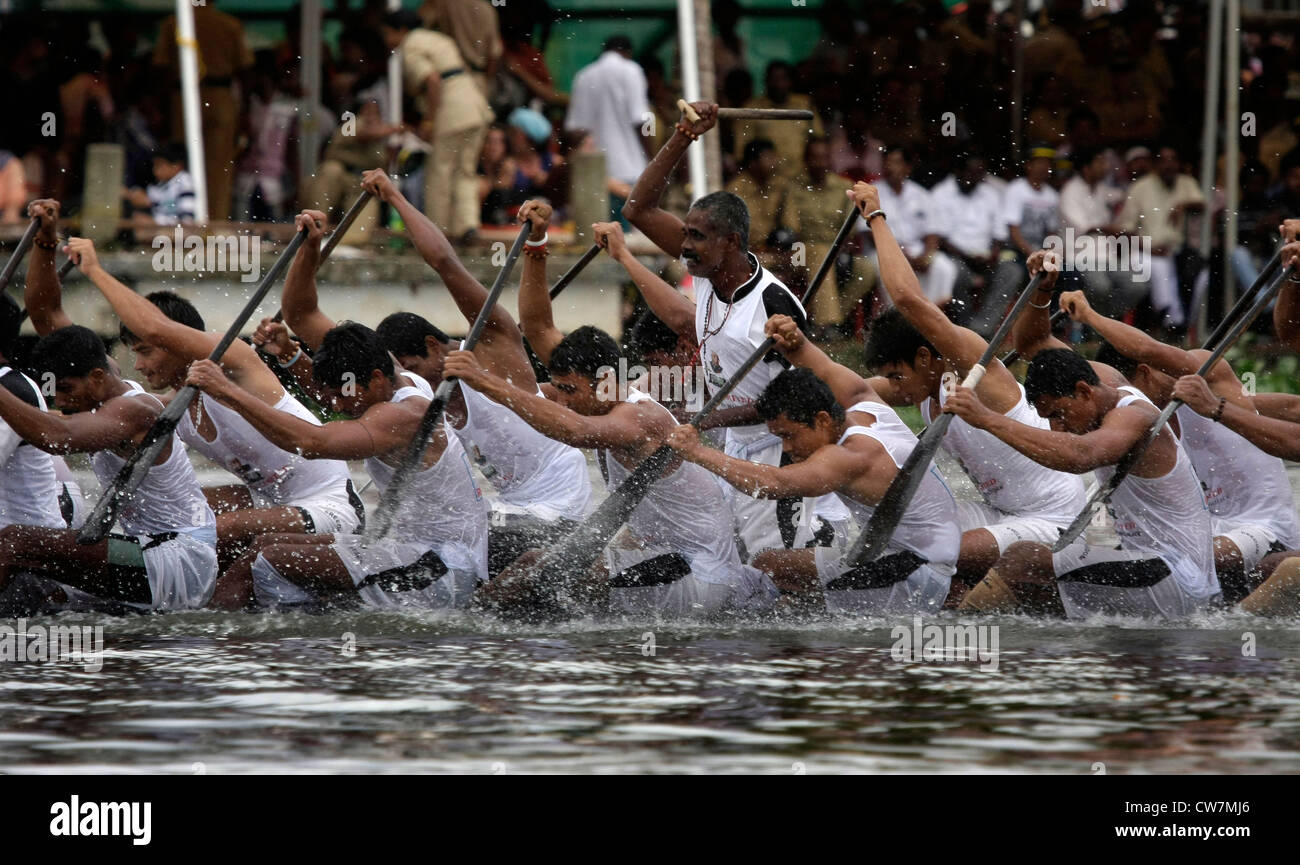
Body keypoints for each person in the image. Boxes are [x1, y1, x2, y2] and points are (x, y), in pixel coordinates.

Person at [621, 101, 850, 565]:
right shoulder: (704, 270)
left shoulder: (772, 305)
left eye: (698, 237)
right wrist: (684, 134)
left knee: (773, 577)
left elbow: (806, 402)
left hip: (784, 452)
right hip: (731, 445)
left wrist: (708, 418)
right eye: (685, 234)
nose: (685, 246)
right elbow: (638, 208)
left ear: (731, 243)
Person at [56, 229, 361, 572]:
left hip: (333, 506)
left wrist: (95, 270)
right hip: (273, 500)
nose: (138, 366)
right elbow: (57, 326)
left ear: (180, 341)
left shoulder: (233, 361)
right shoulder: (172, 405)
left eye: (145, 352)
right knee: (190, 513)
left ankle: (197, 609)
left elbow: (156, 328)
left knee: (218, 529)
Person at [849, 184, 1086, 602]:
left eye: (896, 376)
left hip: (1053, 517)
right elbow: (846, 390)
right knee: (897, 531)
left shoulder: (975, 369)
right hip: (1000, 512)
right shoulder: (919, 384)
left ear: (924, 357)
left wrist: (876, 216)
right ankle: (962, 594)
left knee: (934, 551)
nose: (894, 387)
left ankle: (975, 601)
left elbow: (907, 299)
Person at [443, 325, 775, 621]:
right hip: (668, 560)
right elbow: (536, 326)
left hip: (702, 575)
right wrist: (535, 253)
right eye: (560, 390)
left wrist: (484, 382)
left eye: (571, 391)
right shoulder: (610, 402)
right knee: (536, 562)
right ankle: (481, 630)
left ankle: (472, 636)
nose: (565, 402)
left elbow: (575, 431)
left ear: (605, 381)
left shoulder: (640, 418)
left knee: (544, 575)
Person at [358, 177, 592, 576]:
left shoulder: (492, 349)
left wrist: (396, 196)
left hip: (561, 502)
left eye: (412, 369)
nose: (412, 382)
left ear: (435, 345)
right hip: (510, 508)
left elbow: (445, 263)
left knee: (459, 539)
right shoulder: (421, 395)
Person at [0, 213, 219, 612]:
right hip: (146, 551)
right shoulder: (103, 378)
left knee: (15, 542)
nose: (62, 402)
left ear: (98, 377)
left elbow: (56, 438)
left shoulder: (135, 411)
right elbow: (45, 311)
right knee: (41, 590)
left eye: (66, 391)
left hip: (179, 561)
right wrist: (46, 243)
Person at [186, 322, 488, 612]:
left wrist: (226, 391)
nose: (338, 407)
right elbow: (309, 321)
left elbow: (313, 444)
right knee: (266, 542)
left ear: (377, 378)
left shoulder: (402, 416)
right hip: (414, 552)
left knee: (267, 559)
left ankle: (208, 637)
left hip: (443, 569)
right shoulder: (406, 381)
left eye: (342, 395)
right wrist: (292, 355)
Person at [668, 329, 959, 615]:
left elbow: (773, 483)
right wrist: (795, 341)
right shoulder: (865, 401)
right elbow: (825, 366)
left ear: (821, 420)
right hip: (899, 555)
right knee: (768, 565)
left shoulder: (850, 456)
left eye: (789, 435)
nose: (786, 447)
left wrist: (698, 452)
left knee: (796, 618)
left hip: (920, 577)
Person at [1061, 289, 1300, 603]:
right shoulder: (1143, 422)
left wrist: (1089, 316)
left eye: (1126, 393)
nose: (1122, 405)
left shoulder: (1204, 372)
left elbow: (1149, 348)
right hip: (1197, 535)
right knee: (1099, 564)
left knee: (1191, 563)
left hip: (1264, 528)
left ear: (1144, 373)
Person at [383, 9, 494, 241]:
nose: (387, 41)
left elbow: (432, 80)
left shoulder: (410, 46)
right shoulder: (438, 39)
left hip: (451, 110)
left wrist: (430, 121)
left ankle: (437, 232)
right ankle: (467, 226)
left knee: (439, 172)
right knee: (464, 170)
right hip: (474, 105)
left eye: (388, 34)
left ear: (401, 31)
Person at [152, 4, 255, 220]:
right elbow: (246, 71)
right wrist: (245, 110)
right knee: (219, 167)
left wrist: (162, 108)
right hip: (220, 96)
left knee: (183, 161)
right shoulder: (229, 24)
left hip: (184, 95)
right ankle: (216, 222)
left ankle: (184, 219)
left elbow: (161, 69)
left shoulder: (173, 23)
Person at [781, 136, 875, 330]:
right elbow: (792, 231)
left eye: (824, 157)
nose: (820, 162)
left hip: (837, 250)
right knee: (818, 253)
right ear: (805, 159)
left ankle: (826, 320)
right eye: (815, 157)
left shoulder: (843, 187)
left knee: (867, 269)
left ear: (830, 159)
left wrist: (839, 250)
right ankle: (829, 325)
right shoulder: (794, 187)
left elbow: (849, 231)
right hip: (801, 253)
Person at [1116, 144, 1205, 330]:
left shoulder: (1185, 182)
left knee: (1202, 272)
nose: (1169, 165)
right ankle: (1171, 319)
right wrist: (1149, 248)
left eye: (1173, 160)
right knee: (1157, 265)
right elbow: (1125, 230)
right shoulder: (1140, 187)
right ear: (1155, 164)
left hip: (1176, 249)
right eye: (1164, 161)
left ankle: (1186, 323)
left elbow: (1201, 204)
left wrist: (1183, 205)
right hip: (1143, 250)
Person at [564, 36, 651, 220]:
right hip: (629, 169)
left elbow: (575, 130)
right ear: (628, 53)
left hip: (594, 173)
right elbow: (644, 120)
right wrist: (652, 157)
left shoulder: (584, 75)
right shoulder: (632, 71)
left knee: (596, 237)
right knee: (626, 238)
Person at [866, 146, 959, 308]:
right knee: (892, 270)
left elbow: (932, 232)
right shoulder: (872, 192)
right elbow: (870, 235)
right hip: (883, 252)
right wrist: (902, 258)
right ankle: (900, 316)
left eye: (896, 163)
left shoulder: (920, 194)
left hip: (917, 250)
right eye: (887, 163)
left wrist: (926, 256)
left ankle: (931, 314)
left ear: (907, 168)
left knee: (944, 267)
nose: (890, 167)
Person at [929, 152, 1006, 324]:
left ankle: (983, 327)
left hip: (985, 258)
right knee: (956, 273)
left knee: (1011, 271)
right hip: (954, 256)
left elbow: (1000, 234)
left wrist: (993, 255)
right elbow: (940, 238)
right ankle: (965, 326)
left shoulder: (991, 194)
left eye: (980, 173)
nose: (975, 178)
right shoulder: (941, 193)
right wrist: (968, 258)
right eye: (971, 172)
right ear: (958, 171)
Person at [725, 139, 787, 252]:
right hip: (745, 250)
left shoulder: (780, 186)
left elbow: (791, 225)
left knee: (801, 256)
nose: (775, 162)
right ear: (753, 163)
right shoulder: (735, 190)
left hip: (775, 249)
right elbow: (729, 231)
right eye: (768, 158)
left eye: (774, 157)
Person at [122, 142, 196, 226]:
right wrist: (132, 195)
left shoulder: (185, 182)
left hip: (180, 235)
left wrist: (154, 221)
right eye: (154, 165)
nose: (154, 170)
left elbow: (187, 220)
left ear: (176, 166)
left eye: (159, 165)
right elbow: (151, 201)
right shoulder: (161, 185)